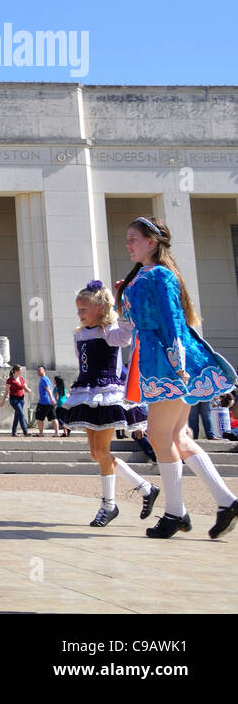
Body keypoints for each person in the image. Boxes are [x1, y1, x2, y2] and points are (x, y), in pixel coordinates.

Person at [117, 215, 238, 539]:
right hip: (161, 363)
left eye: (134, 238)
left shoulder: (159, 276)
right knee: (178, 438)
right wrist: (123, 298)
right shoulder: (143, 277)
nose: (128, 243)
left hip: (168, 366)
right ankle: (225, 501)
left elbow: (172, 321)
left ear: (152, 242)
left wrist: (177, 362)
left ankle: (175, 512)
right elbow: (130, 326)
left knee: (160, 436)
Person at [59, 280, 158, 527]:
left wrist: (122, 298)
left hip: (106, 394)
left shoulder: (111, 331)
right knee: (96, 453)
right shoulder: (80, 333)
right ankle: (145, 487)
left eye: (84, 310)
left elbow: (127, 334)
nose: (79, 314)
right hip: (87, 392)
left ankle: (109, 505)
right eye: (78, 310)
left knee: (102, 452)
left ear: (100, 309)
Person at [2, 365, 32, 437]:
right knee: (21, 414)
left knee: (17, 416)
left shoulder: (21, 379)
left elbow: (26, 388)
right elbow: (6, 391)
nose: (21, 371)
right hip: (14, 400)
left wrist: (29, 390)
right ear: (16, 371)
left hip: (21, 400)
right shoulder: (10, 380)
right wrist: (3, 400)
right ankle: (25, 432)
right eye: (20, 370)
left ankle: (14, 432)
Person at [34, 365, 58, 437]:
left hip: (44, 402)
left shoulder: (44, 379)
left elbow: (48, 389)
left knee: (39, 418)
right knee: (54, 418)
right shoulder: (47, 379)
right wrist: (52, 400)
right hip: (50, 402)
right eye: (37, 370)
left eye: (40, 370)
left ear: (44, 371)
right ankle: (57, 433)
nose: (38, 372)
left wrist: (51, 398)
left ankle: (41, 433)